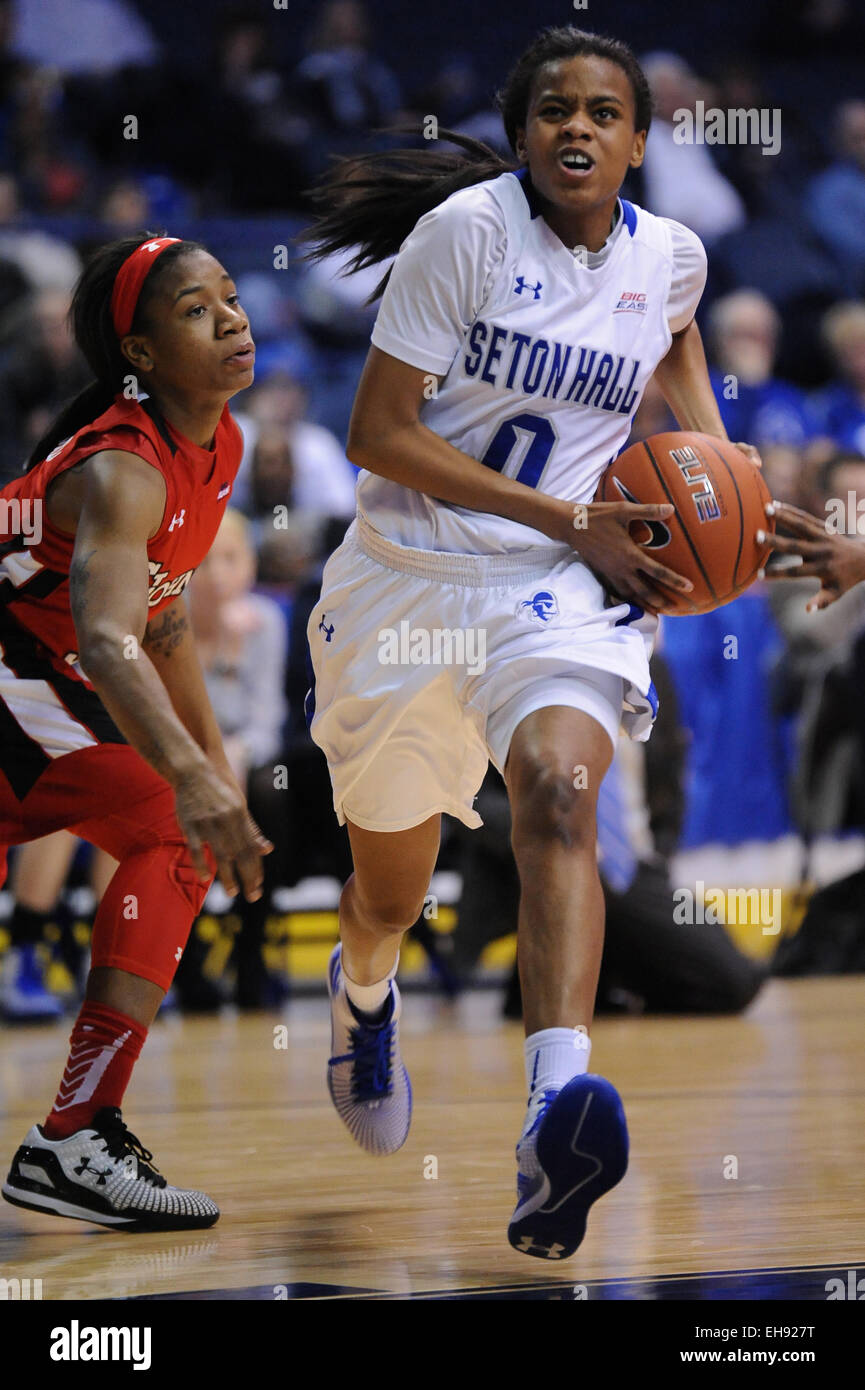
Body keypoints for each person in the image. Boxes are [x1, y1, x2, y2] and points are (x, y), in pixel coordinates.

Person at [301, 25, 761, 1260]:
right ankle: (363, 991)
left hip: (557, 586)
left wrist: (722, 475)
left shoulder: (670, 255)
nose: (577, 129)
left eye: (603, 113)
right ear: (519, 136)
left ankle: (553, 1113)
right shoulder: (466, 235)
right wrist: (573, 516)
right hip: (405, 584)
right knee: (391, 894)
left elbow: (675, 338)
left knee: (560, 792)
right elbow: (377, 433)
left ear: (637, 140)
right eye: (554, 110)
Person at [0, 231, 272, 1229]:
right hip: (24, 672)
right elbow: (109, 644)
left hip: (33, 681)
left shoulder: (219, 444)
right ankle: (73, 1137)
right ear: (142, 355)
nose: (231, 318)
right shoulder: (122, 467)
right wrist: (193, 782)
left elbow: (161, 620)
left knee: (179, 827)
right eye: (197, 310)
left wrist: (215, 775)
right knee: (174, 816)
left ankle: (76, 1133)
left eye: (230, 296)